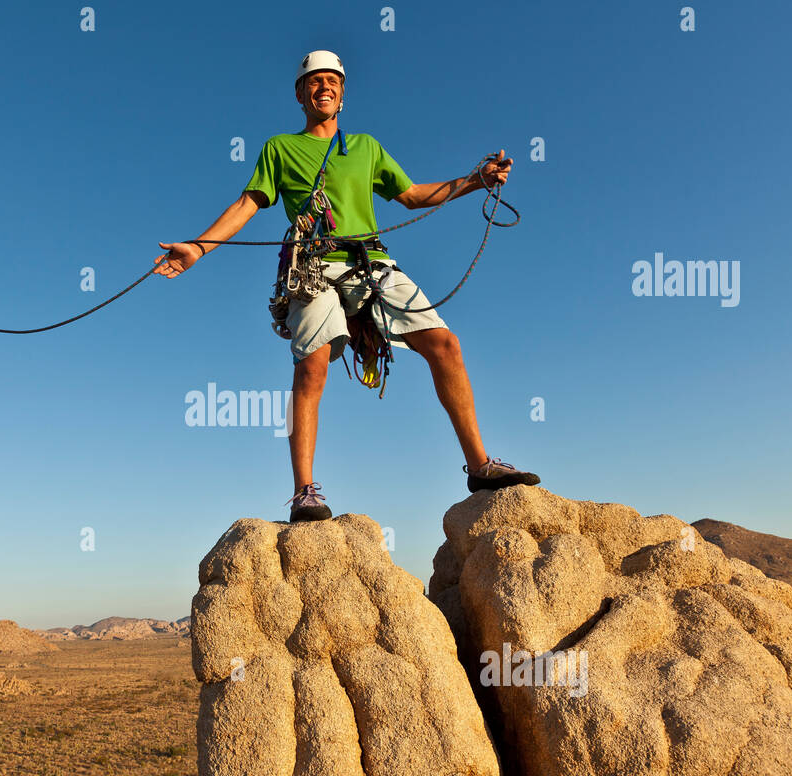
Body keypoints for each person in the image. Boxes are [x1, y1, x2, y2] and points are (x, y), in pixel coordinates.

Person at [154, 51, 540, 522]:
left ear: (343, 92)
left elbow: (413, 195)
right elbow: (247, 203)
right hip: (314, 265)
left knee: (446, 344)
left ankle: (480, 467)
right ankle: (304, 493)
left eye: (332, 81)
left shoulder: (366, 147)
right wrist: (198, 248)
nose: (324, 88)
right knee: (312, 367)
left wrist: (475, 181)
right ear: (300, 95)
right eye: (314, 82)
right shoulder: (280, 149)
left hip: (371, 263)